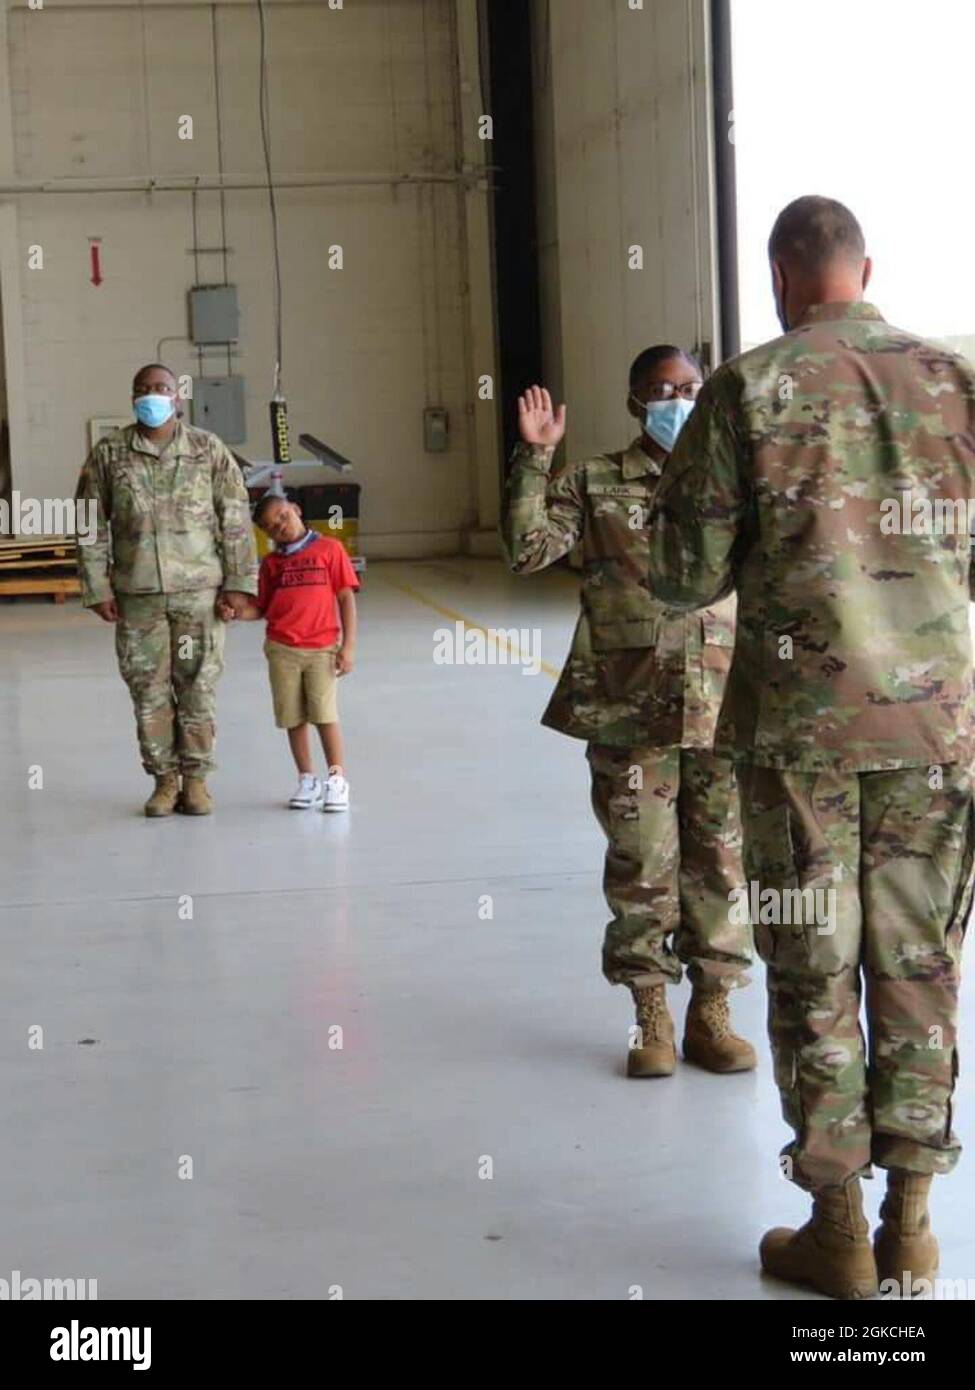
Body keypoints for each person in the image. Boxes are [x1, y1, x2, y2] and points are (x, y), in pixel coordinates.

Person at [647, 195, 975, 1300]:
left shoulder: (749, 386)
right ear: (863, 269)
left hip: (799, 741)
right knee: (921, 961)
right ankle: (916, 1230)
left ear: (783, 278)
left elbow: (684, 577)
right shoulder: (954, 379)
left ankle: (835, 1228)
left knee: (813, 964)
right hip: (936, 733)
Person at [500, 349, 755, 1077]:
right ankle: (651, 1016)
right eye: (657, 391)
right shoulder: (595, 479)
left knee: (721, 867)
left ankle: (712, 1010)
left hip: (724, 705)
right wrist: (534, 456)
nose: (673, 400)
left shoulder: (734, 475)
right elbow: (525, 551)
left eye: (686, 388)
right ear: (633, 401)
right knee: (642, 866)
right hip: (627, 705)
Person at [76, 364, 258, 817]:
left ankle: (196, 782)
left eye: (160, 388)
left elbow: (235, 518)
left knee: (198, 686)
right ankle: (163, 781)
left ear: (178, 395)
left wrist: (239, 584)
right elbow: (89, 524)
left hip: (199, 593)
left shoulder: (207, 449)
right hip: (139, 595)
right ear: (132, 396)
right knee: (148, 690)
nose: (151, 395)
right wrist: (96, 585)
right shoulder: (110, 453)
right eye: (142, 389)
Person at [220, 493, 358, 811]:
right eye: (271, 527)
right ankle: (306, 778)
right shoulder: (271, 564)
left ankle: (336, 779)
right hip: (282, 650)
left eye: (283, 516)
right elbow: (263, 608)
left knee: (324, 714)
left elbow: (346, 598)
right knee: (292, 717)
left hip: (322, 649)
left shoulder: (330, 549)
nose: (280, 526)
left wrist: (348, 647)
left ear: (296, 509)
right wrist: (236, 613)